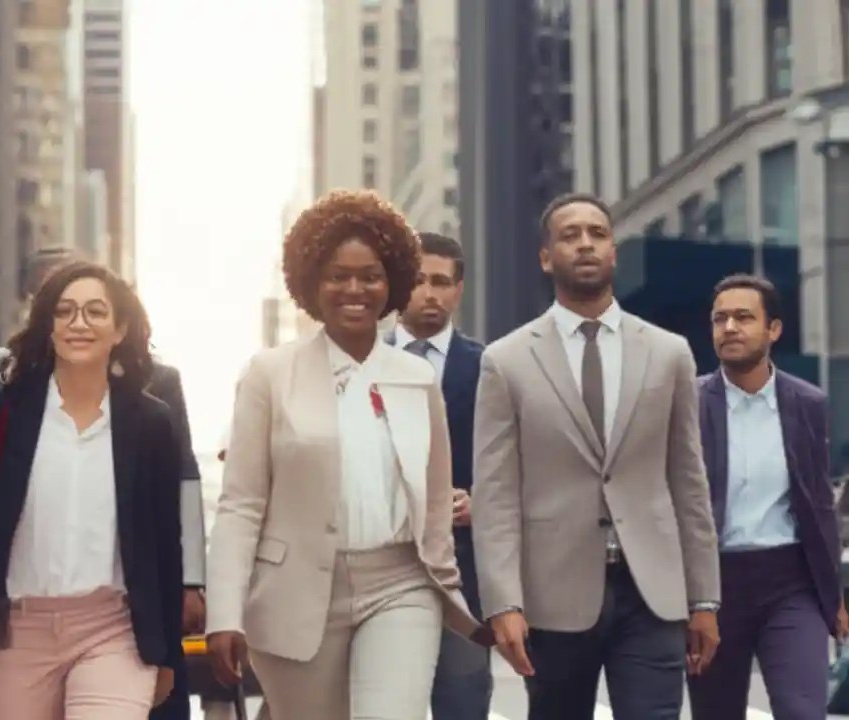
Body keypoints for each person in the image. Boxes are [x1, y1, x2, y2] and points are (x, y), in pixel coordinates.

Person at [205, 189, 490, 720]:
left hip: (400, 584)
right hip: (294, 596)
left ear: (393, 284)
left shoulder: (417, 377)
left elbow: (433, 506)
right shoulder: (269, 374)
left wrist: (448, 587)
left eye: (371, 275)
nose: (354, 289)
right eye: (338, 274)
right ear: (311, 281)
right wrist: (225, 613)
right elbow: (241, 504)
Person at [472, 192, 721, 719]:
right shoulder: (506, 361)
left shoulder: (669, 351)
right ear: (546, 257)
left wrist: (704, 599)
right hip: (552, 596)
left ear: (613, 252)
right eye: (569, 235)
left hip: (651, 594)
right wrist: (504, 602)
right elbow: (494, 495)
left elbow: (688, 483)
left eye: (597, 233)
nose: (585, 243)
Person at [0, 261, 184, 718]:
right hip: (15, 630)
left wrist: (168, 654)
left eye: (94, 312)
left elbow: (165, 543)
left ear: (119, 327)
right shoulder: (0, 407)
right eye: (64, 312)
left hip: (113, 628)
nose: (79, 323)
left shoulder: (150, 422)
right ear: (48, 326)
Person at [688, 273, 847, 719]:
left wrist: (833, 596)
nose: (730, 328)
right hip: (713, 585)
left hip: (790, 581)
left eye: (743, 317)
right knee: (715, 712)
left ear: (773, 329)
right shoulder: (689, 402)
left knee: (802, 710)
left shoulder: (807, 403)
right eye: (720, 319)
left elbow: (818, 503)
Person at [385, 232, 491, 719]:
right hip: (381, 568)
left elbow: (517, 463)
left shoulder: (491, 367)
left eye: (442, 282)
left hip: (463, 572)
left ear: (459, 290)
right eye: (420, 280)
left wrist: (482, 504)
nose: (430, 292)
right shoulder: (362, 361)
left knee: (462, 703)